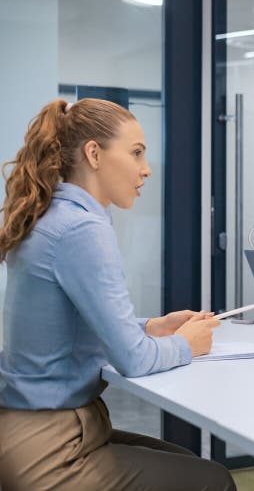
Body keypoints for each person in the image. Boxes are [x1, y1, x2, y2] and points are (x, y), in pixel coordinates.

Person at [0, 99, 236, 489]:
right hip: (49, 447)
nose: (146, 169)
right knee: (212, 481)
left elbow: (74, 324)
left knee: (183, 462)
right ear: (94, 153)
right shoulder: (81, 228)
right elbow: (133, 360)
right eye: (136, 153)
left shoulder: (52, 214)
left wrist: (152, 326)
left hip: (29, 430)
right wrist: (184, 345)